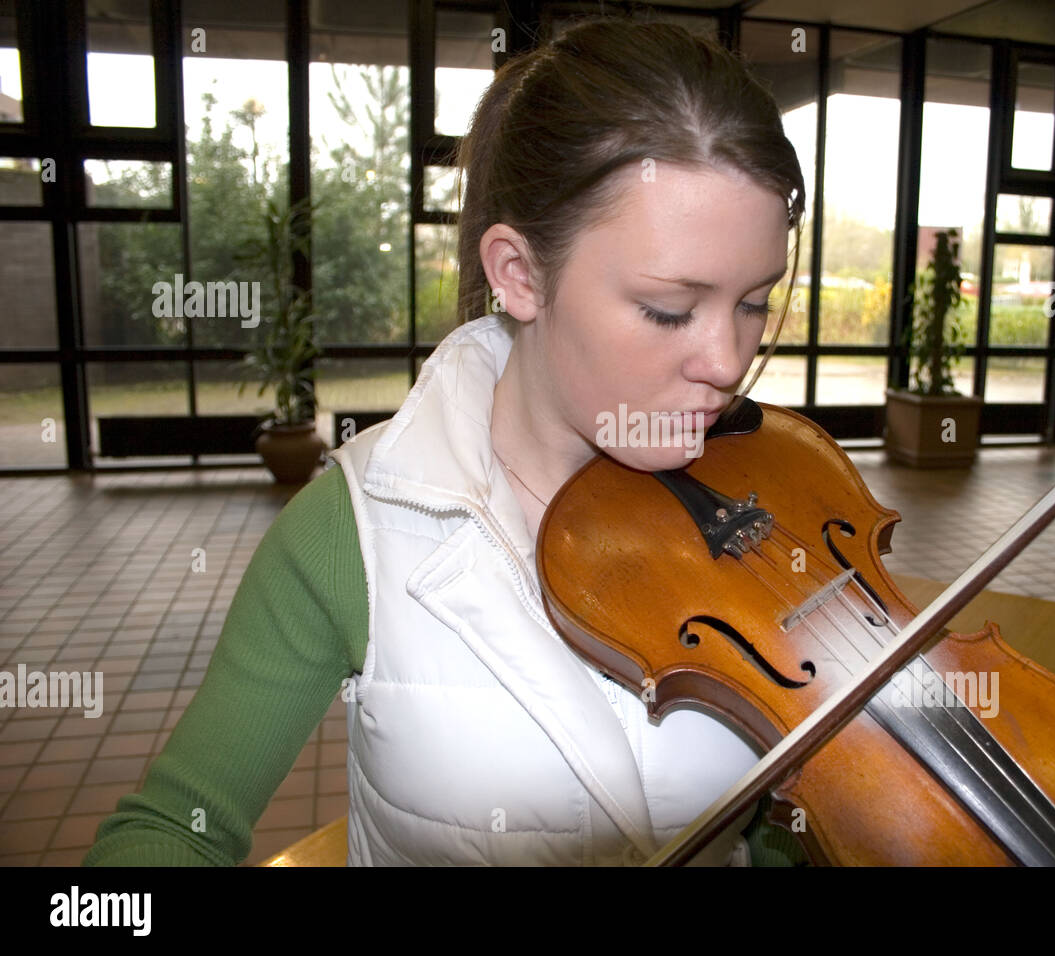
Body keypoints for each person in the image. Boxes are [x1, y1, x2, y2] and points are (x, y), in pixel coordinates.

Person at [83, 15, 807, 866]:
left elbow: (779, 832)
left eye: (753, 302)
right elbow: (172, 832)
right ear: (519, 275)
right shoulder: (350, 530)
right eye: (668, 310)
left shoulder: (768, 503)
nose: (727, 361)